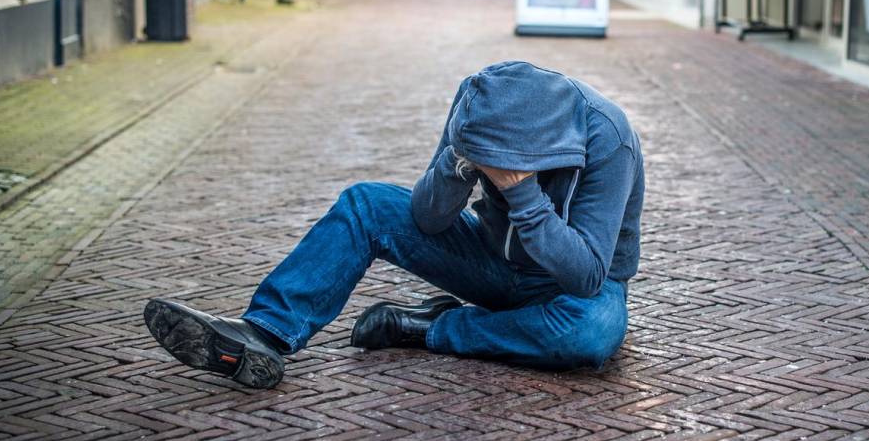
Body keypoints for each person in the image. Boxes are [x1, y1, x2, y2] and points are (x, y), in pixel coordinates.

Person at [143, 61, 645, 388]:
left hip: (569, 290)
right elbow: (428, 219)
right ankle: (265, 332)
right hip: (493, 263)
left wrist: (520, 190)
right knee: (366, 205)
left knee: (592, 334)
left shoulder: (608, 138)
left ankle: (430, 327)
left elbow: (587, 275)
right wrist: (458, 163)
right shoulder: (478, 106)